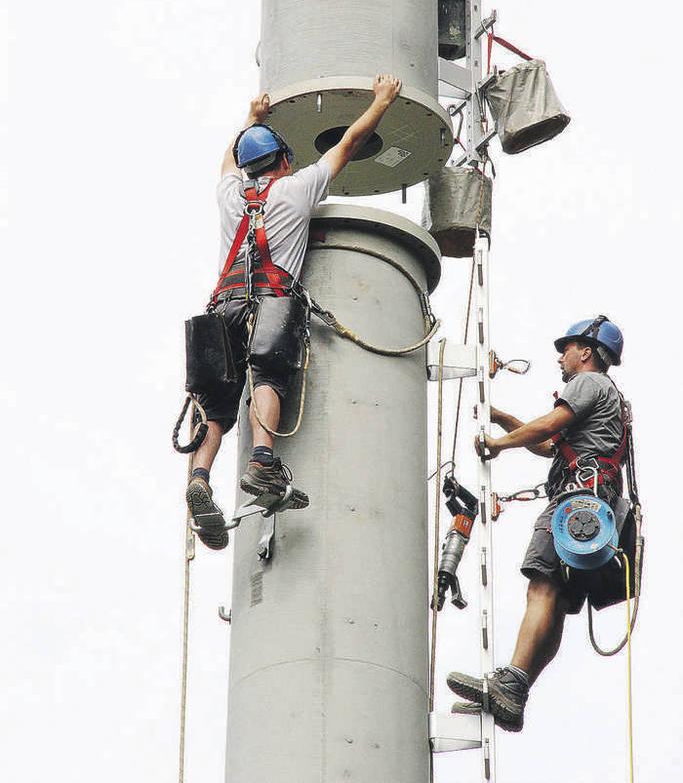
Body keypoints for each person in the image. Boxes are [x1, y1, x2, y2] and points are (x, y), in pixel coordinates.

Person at [186, 73, 403, 550]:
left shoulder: (228, 196)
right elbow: (349, 143)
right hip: (271, 302)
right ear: (284, 160)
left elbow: (227, 159)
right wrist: (382, 102)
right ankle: (262, 461)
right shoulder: (297, 188)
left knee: (214, 407)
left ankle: (200, 476)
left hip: (223, 307)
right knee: (266, 377)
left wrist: (252, 118)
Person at [446, 315, 627, 732]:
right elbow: (550, 445)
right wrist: (502, 419)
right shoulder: (608, 396)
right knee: (558, 603)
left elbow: (548, 426)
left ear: (586, 352)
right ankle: (517, 691)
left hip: (574, 505)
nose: (560, 357)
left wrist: (497, 445)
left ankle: (511, 681)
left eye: (566, 349)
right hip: (593, 512)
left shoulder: (588, 383)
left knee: (542, 587)